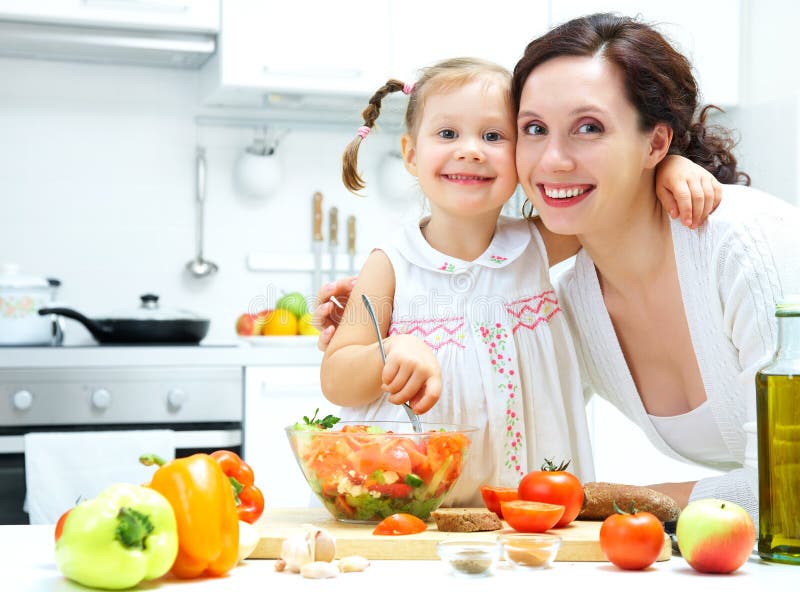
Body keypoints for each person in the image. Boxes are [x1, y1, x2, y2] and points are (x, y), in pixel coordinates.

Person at [317, 14, 800, 522]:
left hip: (537, 523)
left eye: (589, 127)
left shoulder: (737, 243)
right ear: (410, 154)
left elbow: (785, 487)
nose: (554, 158)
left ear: (655, 142)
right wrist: (385, 345)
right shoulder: (551, 293)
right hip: (432, 516)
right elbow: (345, 371)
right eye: (534, 129)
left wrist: (670, 163)